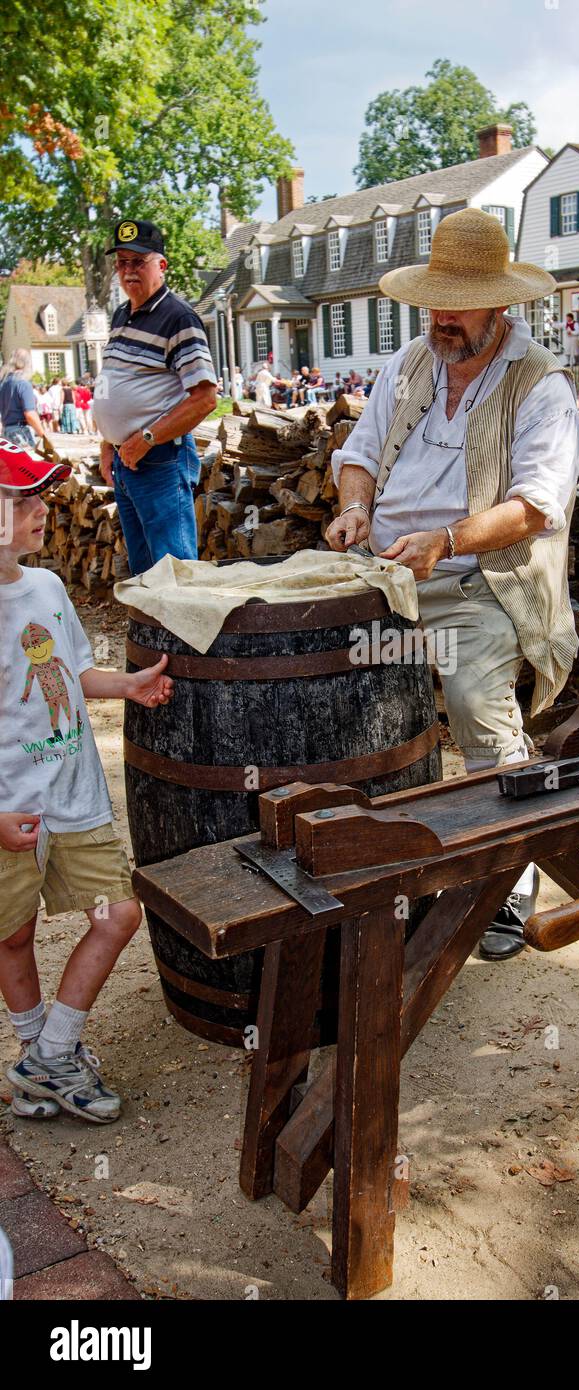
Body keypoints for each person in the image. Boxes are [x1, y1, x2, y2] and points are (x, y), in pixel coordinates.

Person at [326, 208, 579, 961]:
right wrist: (353, 507)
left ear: (500, 303)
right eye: (436, 298)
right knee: (323, 680)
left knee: (475, 704)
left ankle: (512, 883)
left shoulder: (540, 384)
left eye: (459, 300)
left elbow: (538, 506)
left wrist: (446, 541)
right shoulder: (409, 362)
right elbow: (359, 453)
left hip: (479, 581)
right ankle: (385, 859)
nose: (442, 315)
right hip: (383, 574)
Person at [0, 439, 174, 1122]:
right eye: (24, 499)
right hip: (13, 810)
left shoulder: (45, 587)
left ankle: (52, 1051)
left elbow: (72, 672)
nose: (43, 508)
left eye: (42, 494)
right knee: (12, 938)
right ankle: (41, 1056)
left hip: (75, 801)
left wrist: (126, 684)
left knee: (119, 913)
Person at [92, 219, 217, 576]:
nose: (129, 271)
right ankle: (152, 635)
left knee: (172, 572)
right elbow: (108, 379)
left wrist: (146, 439)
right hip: (125, 459)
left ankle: (180, 635)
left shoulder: (178, 318)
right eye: (122, 262)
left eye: (138, 262)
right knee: (144, 572)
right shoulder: (121, 314)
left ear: (160, 265)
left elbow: (205, 397)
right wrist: (106, 442)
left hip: (159, 459)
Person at [0, 350, 55, 454]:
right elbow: (30, 414)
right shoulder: (23, 383)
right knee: (29, 466)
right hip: (20, 432)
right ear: (27, 363)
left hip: (6, 432)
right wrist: (43, 435)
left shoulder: (4, 383)